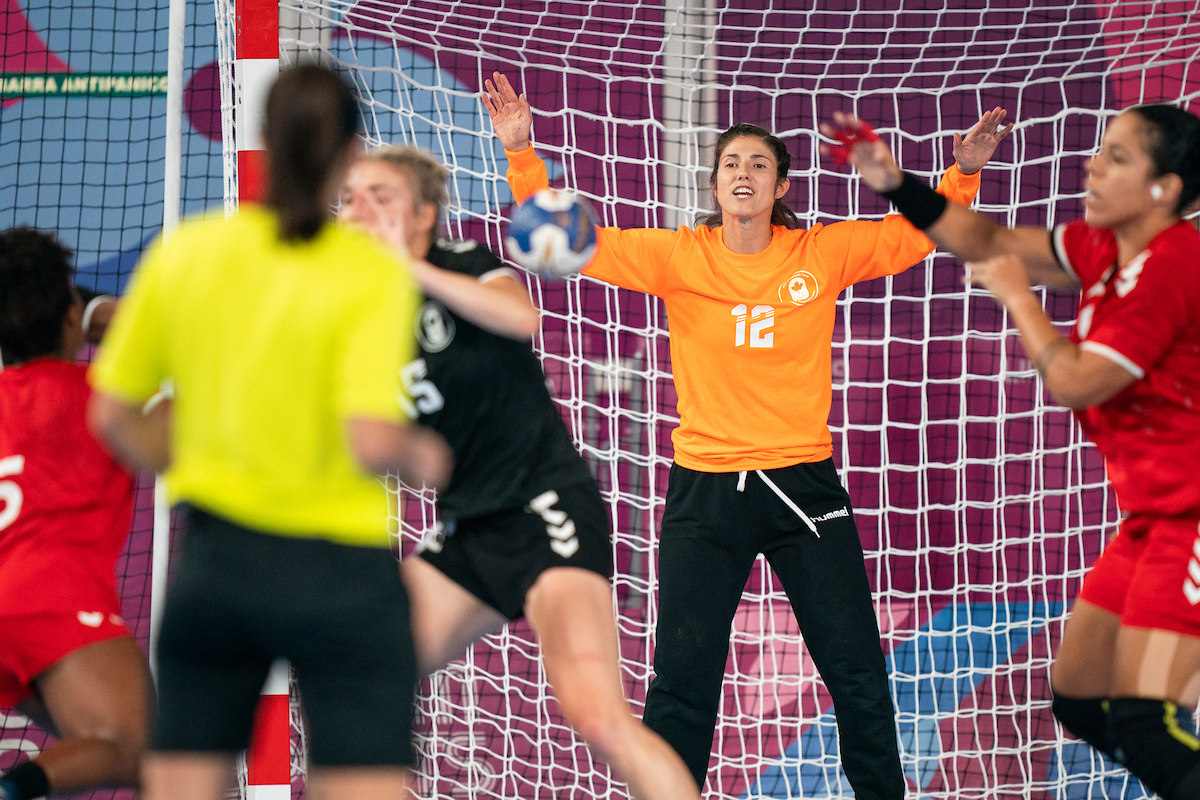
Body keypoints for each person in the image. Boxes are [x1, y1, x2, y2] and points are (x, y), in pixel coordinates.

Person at [484, 71, 1012, 799]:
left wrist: (965, 172)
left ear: (781, 187)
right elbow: (568, 243)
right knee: (681, 687)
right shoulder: (679, 255)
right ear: (714, 186)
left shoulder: (818, 255)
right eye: (731, 163)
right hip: (706, 495)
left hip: (802, 489)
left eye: (758, 164)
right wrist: (522, 154)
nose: (743, 173)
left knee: (858, 676)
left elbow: (911, 237)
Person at [87, 65, 451, 800]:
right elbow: (369, 439)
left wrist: (183, 454)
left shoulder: (189, 252)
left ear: (263, 140)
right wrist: (431, 454)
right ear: (352, 154)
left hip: (220, 565)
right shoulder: (371, 273)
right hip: (342, 576)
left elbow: (111, 413)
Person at [830, 104, 1200, 799]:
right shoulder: (1104, 245)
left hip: (1194, 516)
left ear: (1166, 189)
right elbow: (985, 234)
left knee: (1149, 718)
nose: (1092, 165)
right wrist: (895, 182)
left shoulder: (1175, 265)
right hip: (1153, 515)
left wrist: (1017, 298)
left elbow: (1078, 380)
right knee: (1080, 700)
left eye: (1118, 157)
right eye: (1099, 150)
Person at [338, 144, 702, 800]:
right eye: (349, 196)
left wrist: (410, 268)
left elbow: (520, 317)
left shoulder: (461, 265)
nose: (358, 209)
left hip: (546, 511)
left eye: (379, 196)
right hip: (469, 530)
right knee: (361, 678)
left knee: (597, 717)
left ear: (422, 215)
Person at [0, 227, 154, 800]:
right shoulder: (100, 398)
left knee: (94, 744)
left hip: (11, 609)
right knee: (134, 749)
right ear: (70, 316)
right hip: (52, 599)